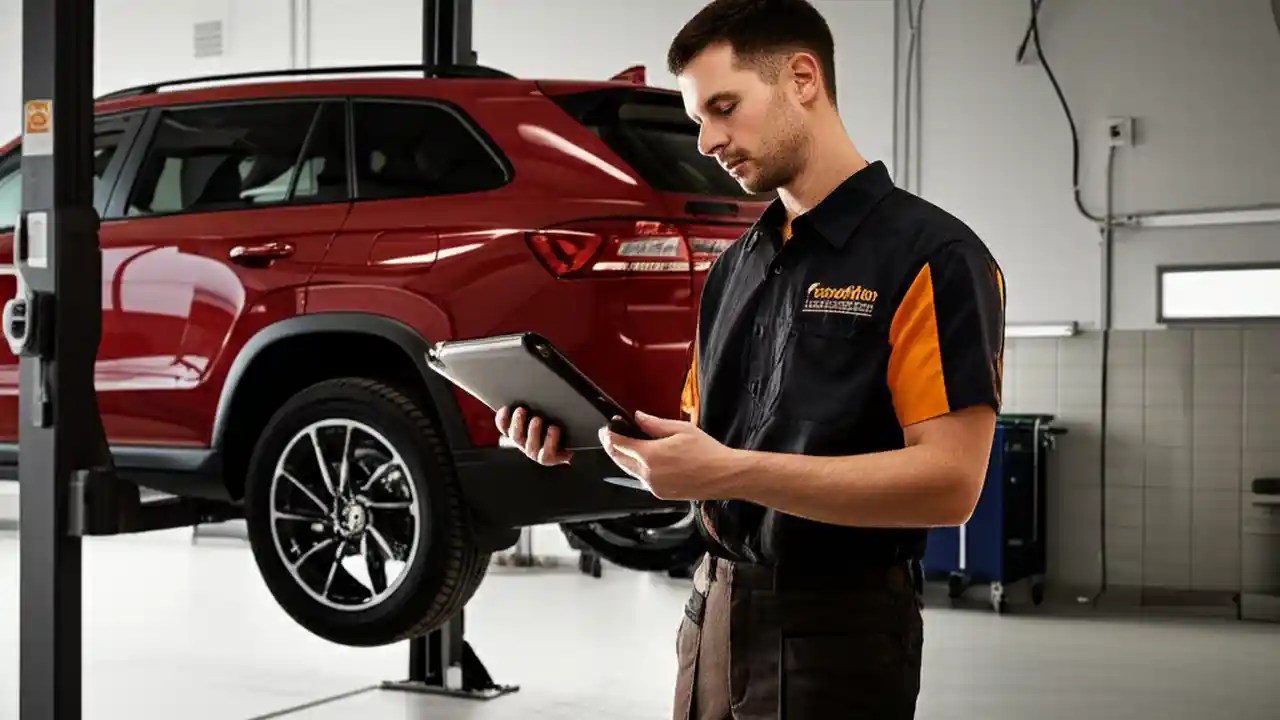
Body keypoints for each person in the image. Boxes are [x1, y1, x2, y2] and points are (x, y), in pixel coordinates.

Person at [495, 0, 1006, 716]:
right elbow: (703, 455)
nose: (707, 141)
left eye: (724, 108)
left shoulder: (935, 257)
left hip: (841, 633)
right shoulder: (734, 268)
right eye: (698, 119)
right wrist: (582, 442)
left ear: (803, 78)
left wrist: (729, 470)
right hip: (712, 613)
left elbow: (950, 485)